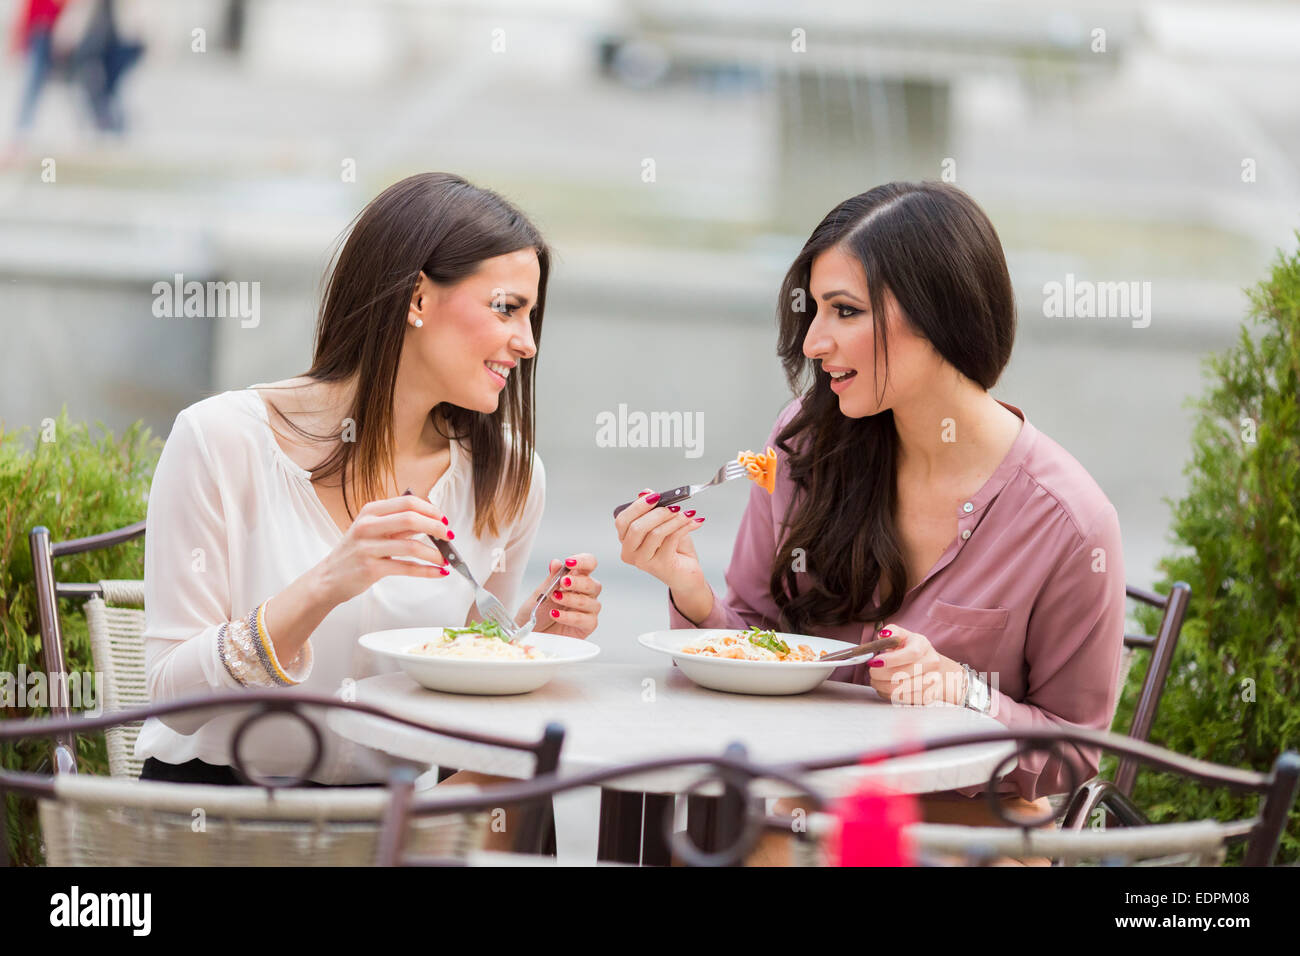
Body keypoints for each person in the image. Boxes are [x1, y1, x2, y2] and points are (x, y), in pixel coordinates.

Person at [615, 181, 1125, 862]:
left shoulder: (1069, 521)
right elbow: (760, 642)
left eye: (845, 311)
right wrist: (692, 592)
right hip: (811, 809)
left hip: (969, 829)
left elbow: (1073, 749)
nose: (814, 341)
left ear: (940, 315)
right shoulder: (805, 445)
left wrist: (964, 691)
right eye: (814, 310)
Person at [136, 172, 601, 786]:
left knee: (515, 790)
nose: (527, 343)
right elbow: (169, 693)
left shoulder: (508, 476)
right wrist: (329, 581)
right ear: (417, 299)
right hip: (221, 814)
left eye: (531, 315)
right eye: (507, 308)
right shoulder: (221, 438)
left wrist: (531, 634)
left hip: (395, 824)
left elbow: (463, 686)